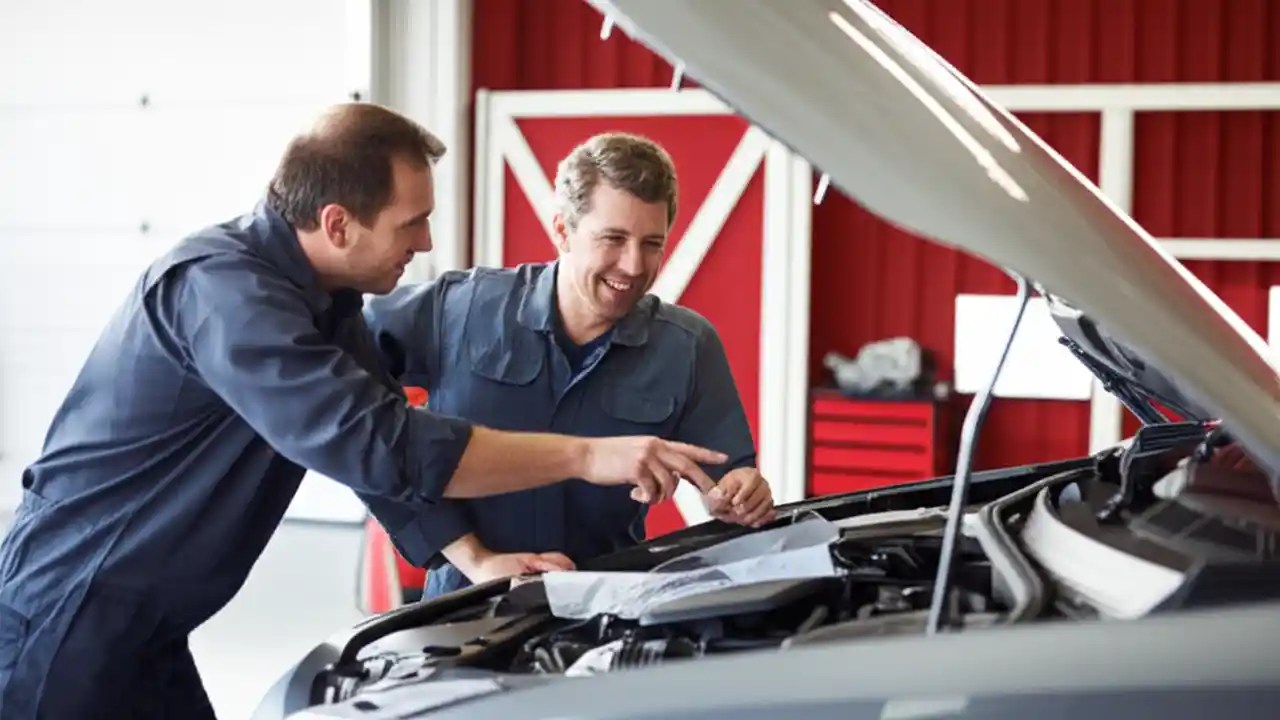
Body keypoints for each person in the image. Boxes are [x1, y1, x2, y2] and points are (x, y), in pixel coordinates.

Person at [0, 106, 727, 719]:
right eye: (412, 223)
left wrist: (473, 559)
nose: (427, 243)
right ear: (338, 223)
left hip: (150, 626)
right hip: (72, 611)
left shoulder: (325, 301)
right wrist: (587, 454)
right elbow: (382, 444)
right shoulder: (223, 294)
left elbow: (374, 446)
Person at [363, 132, 776, 599]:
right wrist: (468, 555)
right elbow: (350, 414)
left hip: (608, 615)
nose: (634, 265)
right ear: (562, 230)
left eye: (652, 243)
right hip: (463, 605)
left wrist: (738, 495)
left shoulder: (689, 346)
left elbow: (728, 478)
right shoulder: (458, 310)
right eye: (613, 239)